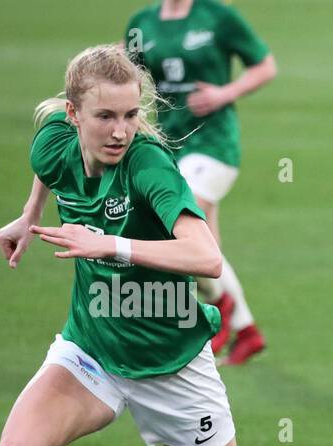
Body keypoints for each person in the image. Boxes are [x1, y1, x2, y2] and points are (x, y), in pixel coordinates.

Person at [0, 44, 317, 446]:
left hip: (173, 366)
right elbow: (49, 170)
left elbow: (206, 255)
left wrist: (105, 243)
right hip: (92, 348)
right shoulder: (52, 140)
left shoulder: (148, 163)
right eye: (105, 116)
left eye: (130, 115)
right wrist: (29, 217)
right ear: (74, 112)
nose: (120, 130)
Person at [126, 0, 278, 365]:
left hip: (214, 146)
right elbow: (126, 78)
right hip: (170, 146)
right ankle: (247, 330)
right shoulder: (142, 22)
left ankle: (219, 306)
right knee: (205, 243)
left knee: (175, 227)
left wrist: (224, 94)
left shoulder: (217, 16)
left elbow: (266, 66)